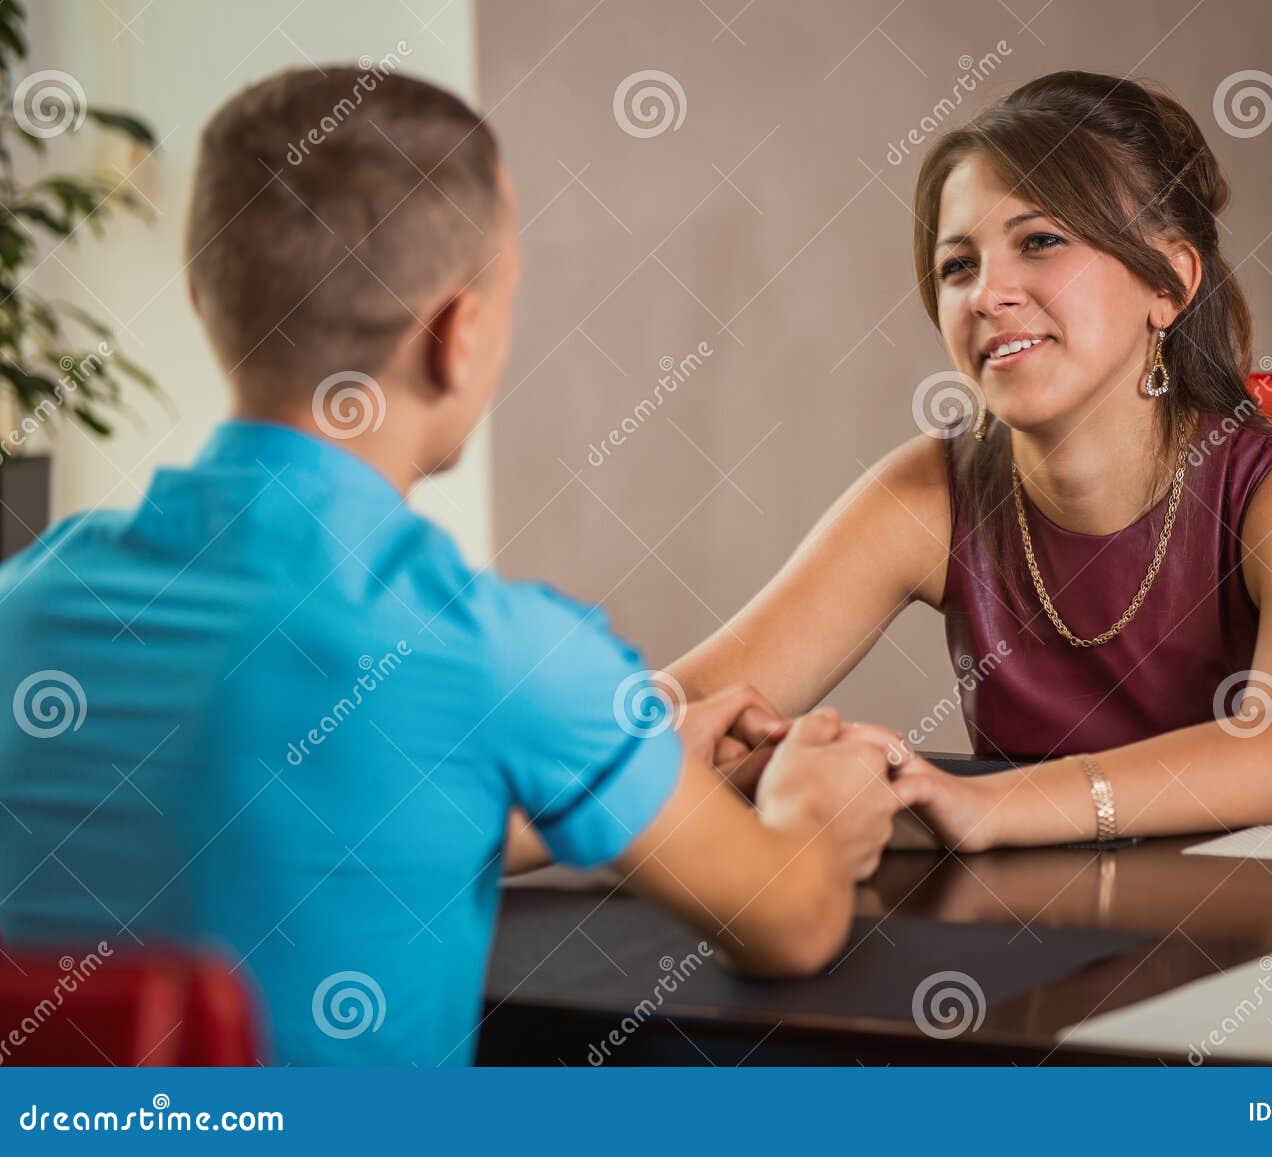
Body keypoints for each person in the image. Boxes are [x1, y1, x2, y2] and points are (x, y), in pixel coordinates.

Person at [0, 68, 912, 1066]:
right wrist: (809, 810)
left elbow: (309, 819)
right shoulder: (501, 650)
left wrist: (629, 770)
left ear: (202, 295)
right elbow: (792, 923)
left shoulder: (31, 602)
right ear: (457, 335)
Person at [670, 71, 1272, 852]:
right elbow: (689, 702)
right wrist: (706, 742)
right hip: (1023, 938)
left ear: (1169, 281)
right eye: (957, 266)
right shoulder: (929, 489)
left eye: (1039, 242)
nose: (985, 294)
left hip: (1262, 931)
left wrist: (994, 806)